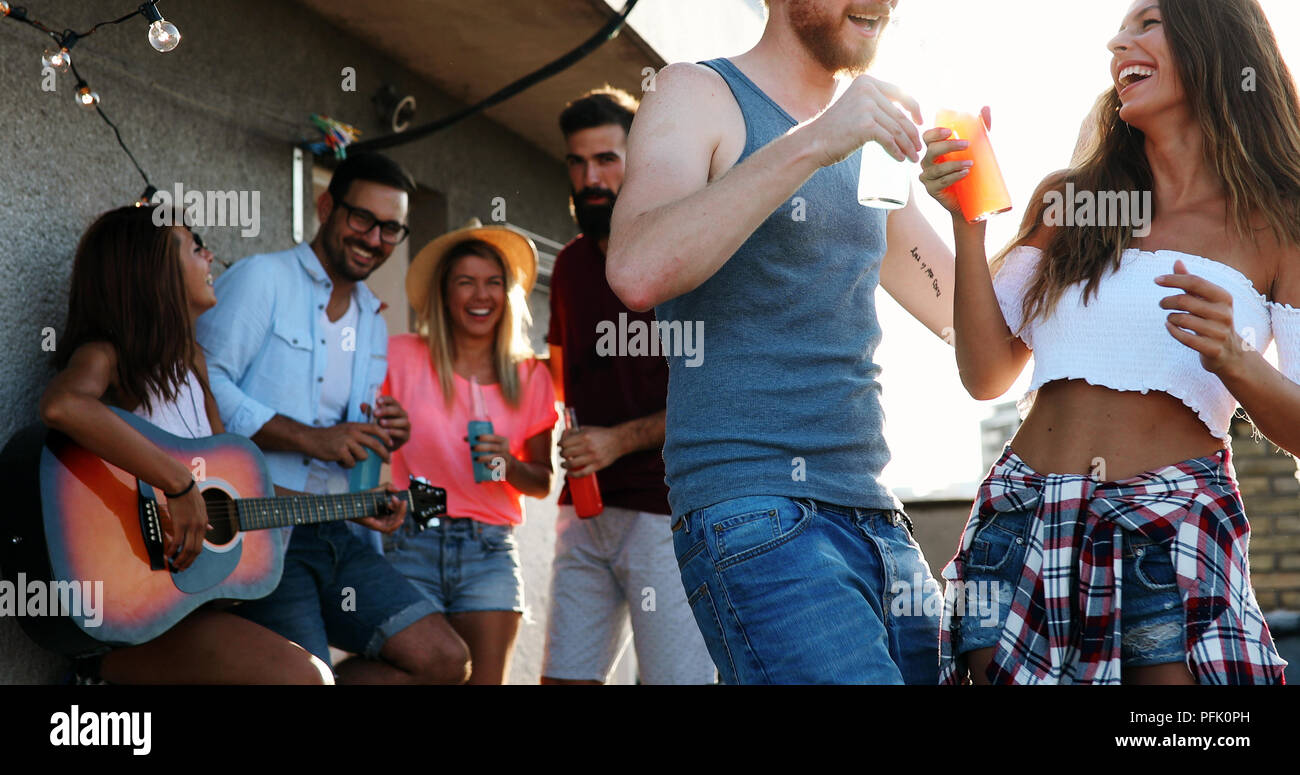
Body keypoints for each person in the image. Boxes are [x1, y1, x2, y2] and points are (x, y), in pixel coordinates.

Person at [921, 0, 1294, 684]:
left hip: (1172, 526)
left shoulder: (1279, 222)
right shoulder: (1070, 199)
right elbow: (986, 372)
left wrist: (1238, 362)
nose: (1117, 41)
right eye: (1121, 28)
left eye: (1146, 22)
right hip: (1025, 520)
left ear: (1215, 37)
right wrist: (967, 224)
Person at [606, 0, 956, 684]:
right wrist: (816, 140)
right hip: (756, 511)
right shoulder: (695, 92)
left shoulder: (872, 136)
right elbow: (637, 268)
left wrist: (972, 217)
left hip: (881, 519)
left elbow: (980, 342)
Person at [196, 152, 471, 684]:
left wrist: (381, 447)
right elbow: (203, 383)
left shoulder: (372, 320)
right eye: (362, 218)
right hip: (259, 531)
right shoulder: (262, 279)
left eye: (391, 228)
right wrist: (312, 438)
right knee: (309, 676)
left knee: (443, 659)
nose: (374, 238)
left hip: (336, 530)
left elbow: (346, 437)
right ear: (326, 206)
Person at [39, 205, 330, 684]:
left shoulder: (192, 363)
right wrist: (176, 484)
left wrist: (352, 508)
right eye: (196, 247)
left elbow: (235, 489)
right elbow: (63, 406)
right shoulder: (106, 355)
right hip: (129, 612)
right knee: (306, 677)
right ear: (152, 272)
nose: (211, 254)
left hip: (186, 605)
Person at [540, 88, 716, 685]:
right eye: (577, 162)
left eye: (606, 160)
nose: (590, 177)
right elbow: (560, 378)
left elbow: (716, 391)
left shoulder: (687, 256)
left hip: (668, 512)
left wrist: (618, 440)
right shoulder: (567, 266)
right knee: (563, 678)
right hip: (585, 506)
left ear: (638, 159)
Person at [380, 220, 557, 685]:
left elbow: (542, 482)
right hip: (412, 537)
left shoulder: (529, 377)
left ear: (508, 294)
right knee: (415, 673)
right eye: (466, 282)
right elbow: (355, 428)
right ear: (444, 294)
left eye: (493, 283)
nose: (481, 295)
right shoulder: (399, 356)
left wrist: (509, 465)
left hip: (489, 549)